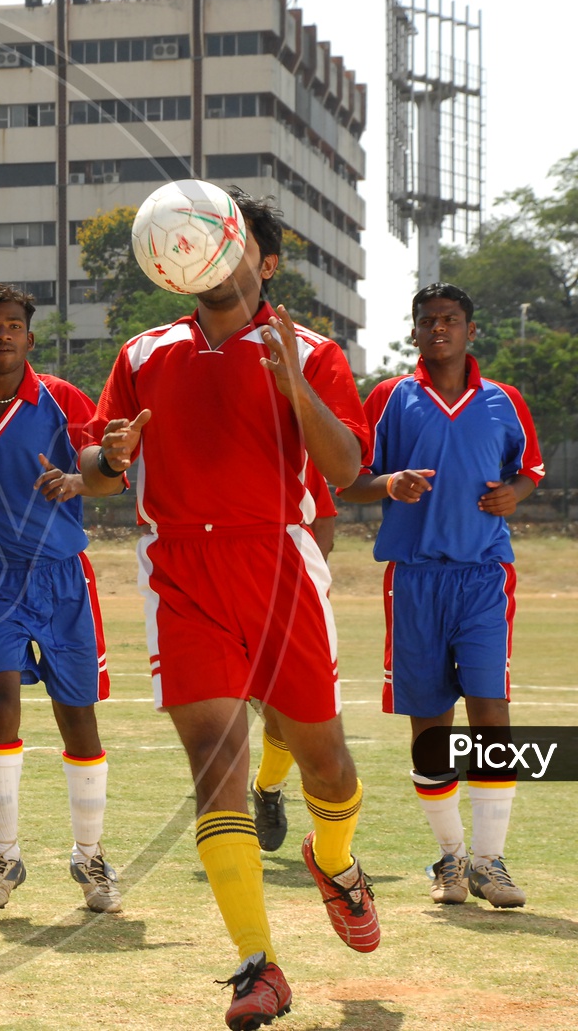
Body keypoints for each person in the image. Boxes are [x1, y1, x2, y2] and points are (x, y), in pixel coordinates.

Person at [83, 189, 378, 1029]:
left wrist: (294, 388)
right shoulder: (144, 354)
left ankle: (336, 859)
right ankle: (260, 965)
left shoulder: (310, 350)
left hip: (279, 563)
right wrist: (109, 456)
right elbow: (101, 471)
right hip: (179, 567)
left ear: (265, 260)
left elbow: (350, 465)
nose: (208, 249)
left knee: (326, 765)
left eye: (233, 240)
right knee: (216, 764)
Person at [340, 282, 543, 909]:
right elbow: (350, 480)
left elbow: (529, 470)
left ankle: (490, 862)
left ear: (470, 331)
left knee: (492, 713)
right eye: (427, 321)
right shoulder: (390, 399)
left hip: (484, 576)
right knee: (430, 726)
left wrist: (516, 495)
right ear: (414, 332)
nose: (438, 330)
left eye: (449, 320)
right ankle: (450, 859)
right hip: (415, 578)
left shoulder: (503, 401)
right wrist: (387, 484)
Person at [0, 282, 127, 918]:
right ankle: (3, 853)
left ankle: (89, 856)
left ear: (30, 338)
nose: (4, 334)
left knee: (78, 718)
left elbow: (101, 470)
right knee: (1, 709)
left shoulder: (63, 400)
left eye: (14, 325)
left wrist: (86, 476)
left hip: (65, 576)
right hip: (0, 579)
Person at [252, 473, 337, 853]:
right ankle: (227, 840)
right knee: (216, 716)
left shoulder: (293, 452)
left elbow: (325, 523)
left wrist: (301, 580)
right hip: (208, 588)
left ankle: (266, 789)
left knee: (282, 715)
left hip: (282, 595)